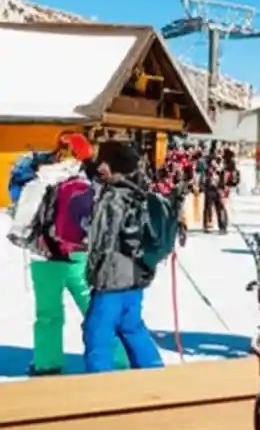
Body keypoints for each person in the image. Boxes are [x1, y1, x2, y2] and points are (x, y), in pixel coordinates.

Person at [7, 135, 129, 374]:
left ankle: (47, 362)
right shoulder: (88, 180)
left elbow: (20, 207)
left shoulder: (40, 177)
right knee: (94, 308)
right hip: (79, 253)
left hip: (45, 255)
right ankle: (118, 358)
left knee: (48, 313)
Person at [82, 140, 165, 373]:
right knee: (131, 327)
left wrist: (95, 275)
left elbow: (104, 241)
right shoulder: (139, 190)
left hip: (113, 277)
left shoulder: (113, 198)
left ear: (112, 165)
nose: (99, 167)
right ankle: (155, 374)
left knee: (97, 332)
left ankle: (100, 387)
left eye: (103, 162)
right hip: (136, 274)